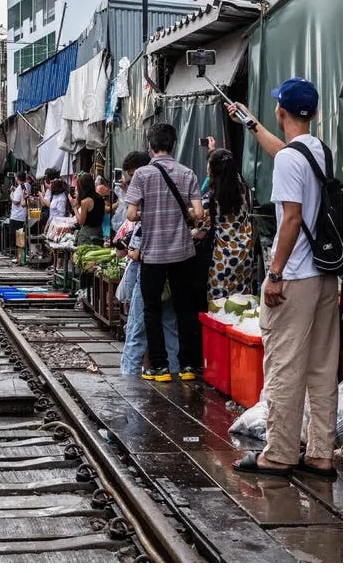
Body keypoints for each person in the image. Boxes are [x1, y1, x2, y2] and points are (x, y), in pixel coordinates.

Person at [229, 79, 339, 478]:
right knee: (323, 367)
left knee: (284, 368)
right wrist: (252, 125)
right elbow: (287, 155)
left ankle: (279, 454)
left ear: (282, 111)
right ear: (315, 113)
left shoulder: (291, 161)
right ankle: (321, 454)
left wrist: (273, 274)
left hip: (294, 279)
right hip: (327, 277)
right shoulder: (319, 152)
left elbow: (291, 218)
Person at [126, 123, 203, 382]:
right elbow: (198, 214)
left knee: (151, 309)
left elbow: (131, 214)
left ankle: (158, 367)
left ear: (150, 145)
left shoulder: (142, 175)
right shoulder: (187, 173)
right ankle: (188, 365)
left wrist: (147, 212)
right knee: (185, 308)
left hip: (152, 254)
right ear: (174, 145)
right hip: (183, 252)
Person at [117, 151, 180, 377]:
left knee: (136, 328)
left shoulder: (145, 191)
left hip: (150, 267)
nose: (132, 180)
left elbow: (133, 218)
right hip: (172, 265)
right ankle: (174, 375)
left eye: (133, 175)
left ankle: (129, 376)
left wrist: (136, 251)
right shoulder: (180, 178)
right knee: (169, 326)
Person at [193, 148, 255, 303]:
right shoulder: (244, 190)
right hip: (245, 254)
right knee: (242, 301)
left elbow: (202, 229)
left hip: (222, 258)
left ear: (214, 170)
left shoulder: (211, 198)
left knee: (219, 305)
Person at [69, 172, 105, 246]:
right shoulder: (100, 197)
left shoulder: (85, 202)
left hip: (88, 234)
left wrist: (74, 208)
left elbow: (81, 222)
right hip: (99, 231)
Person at [8, 172, 28, 259]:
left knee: (16, 238)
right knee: (20, 237)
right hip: (22, 216)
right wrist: (15, 190)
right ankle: (20, 256)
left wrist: (11, 195)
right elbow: (21, 195)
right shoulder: (26, 185)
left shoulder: (21, 188)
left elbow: (16, 201)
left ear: (17, 178)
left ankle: (18, 257)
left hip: (17, 216)